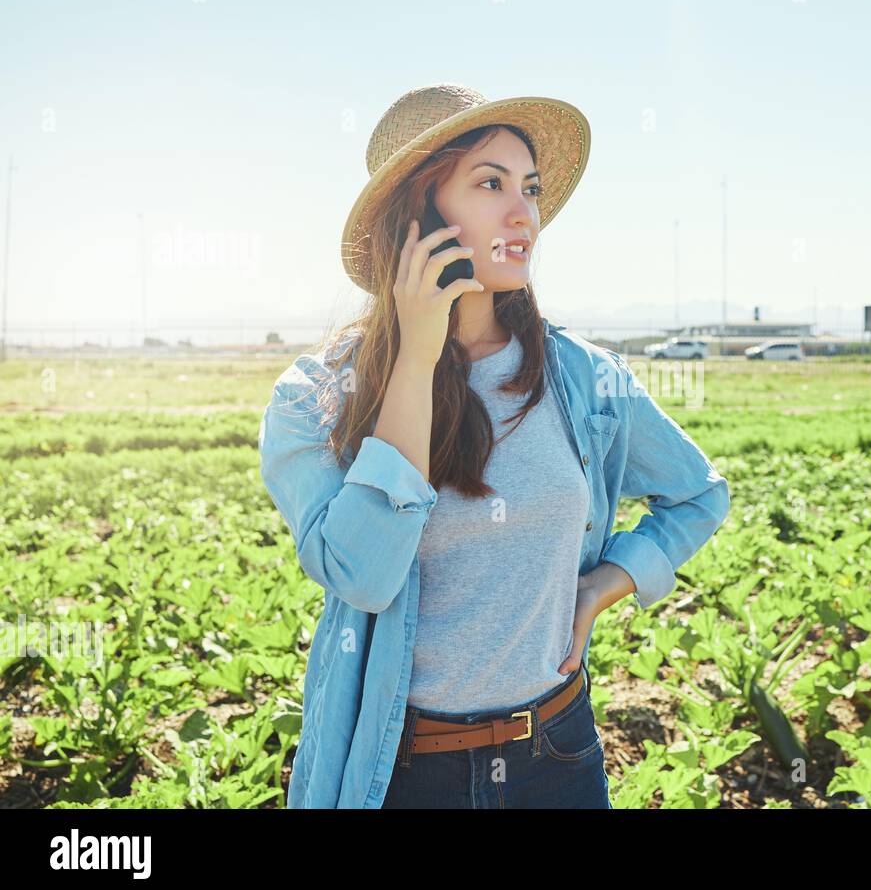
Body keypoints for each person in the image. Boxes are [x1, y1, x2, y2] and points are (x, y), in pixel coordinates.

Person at [257, 83, 730, 808]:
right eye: (490, 184)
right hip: (404, 773)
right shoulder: (315, 398)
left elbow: (700, 494)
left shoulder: (583, 378)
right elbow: (364, 576)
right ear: (420, 212)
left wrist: (602, 585)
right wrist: (415, 361)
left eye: (531, 189)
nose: (525, 214)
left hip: (556, 753)